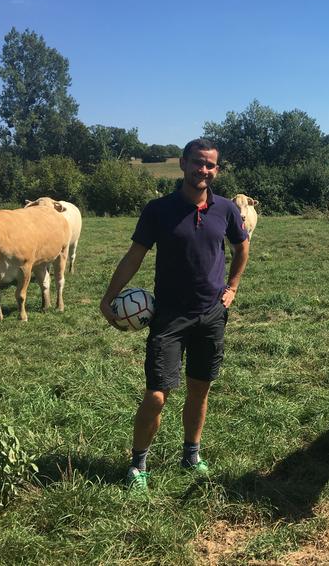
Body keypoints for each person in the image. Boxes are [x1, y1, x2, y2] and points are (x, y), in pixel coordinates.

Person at [100, 138, 249, 490]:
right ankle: (138, 465)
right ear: (182, 164)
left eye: (210, 165)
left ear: (217, 170)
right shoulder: (158, 210)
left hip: (211, 315)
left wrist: (232, 287)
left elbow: (242, 247)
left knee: (200, 389)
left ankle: (191, 454)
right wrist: (109, 297)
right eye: (197, 162)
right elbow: (134, 256)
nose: (203, 170)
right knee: (157, 394)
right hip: (169, 317)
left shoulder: (226, 209)